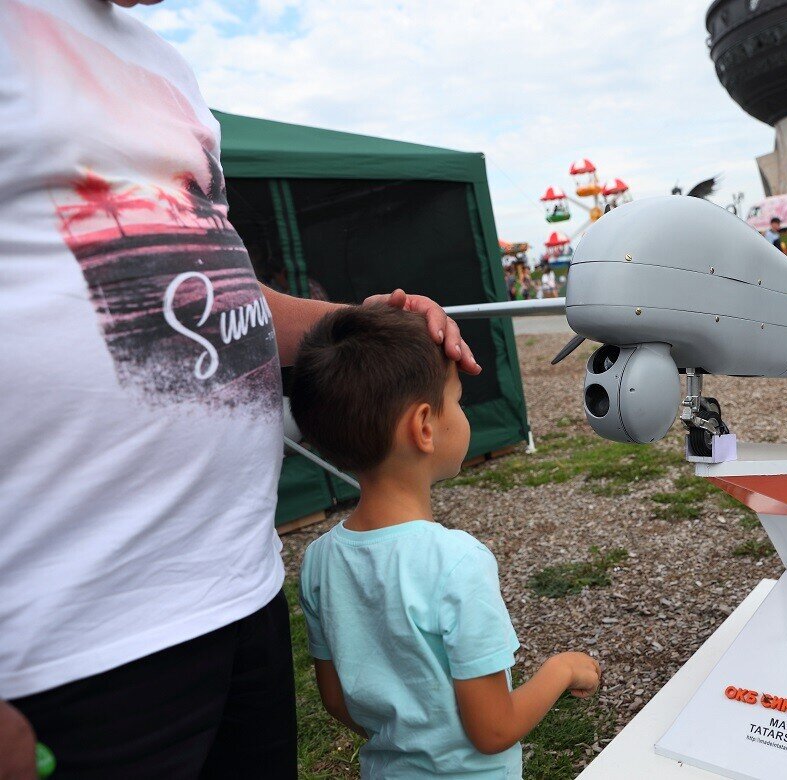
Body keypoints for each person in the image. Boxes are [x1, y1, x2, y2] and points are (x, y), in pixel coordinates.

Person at [0, 2, 479, 776]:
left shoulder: (164, 63)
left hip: (234, 584)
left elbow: (218, 282)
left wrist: (358, 322)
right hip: (64, 639)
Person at [289, 307, 601, 778]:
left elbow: (336, 700)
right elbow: (493, 730)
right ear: (424, 427)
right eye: (456, 400)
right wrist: (563, 669)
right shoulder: (457, 562)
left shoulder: (318, 561)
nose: (462, 411)